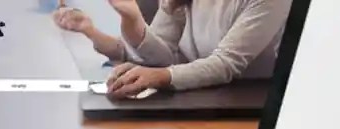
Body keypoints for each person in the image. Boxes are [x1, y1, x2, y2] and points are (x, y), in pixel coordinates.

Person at [53, 0, 291, 99]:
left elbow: (226, 64)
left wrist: (160, 76)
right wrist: (133, 18)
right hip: (193, 97)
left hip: (242, 105)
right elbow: (162, 54)